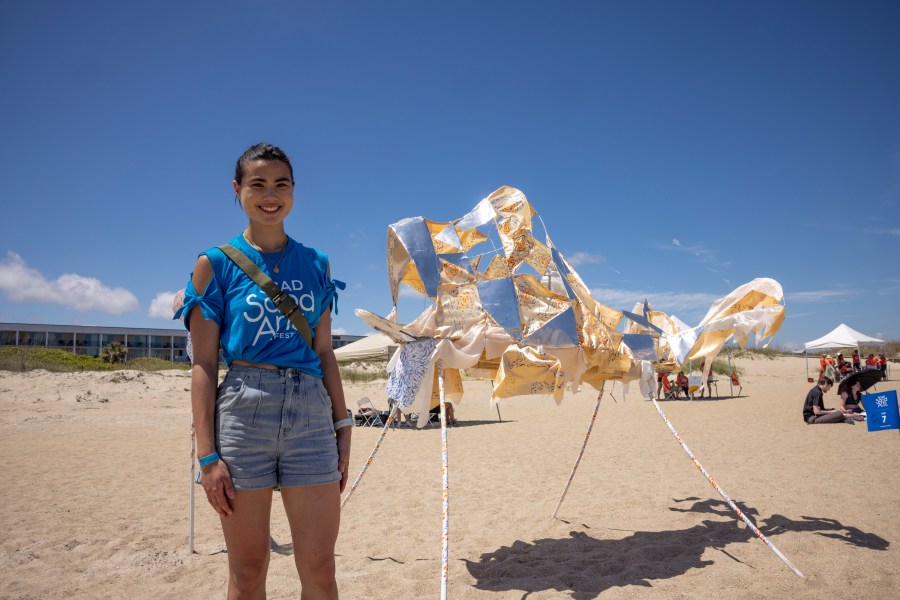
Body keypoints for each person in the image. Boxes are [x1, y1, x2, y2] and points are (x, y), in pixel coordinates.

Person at [176, 143, 349, 598]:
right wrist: (207, 455)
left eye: (281, 184)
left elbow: (325, 351)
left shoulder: (317, 264)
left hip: (311, 414)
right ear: (238, 190)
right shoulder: (213, 264)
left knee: (320, 567)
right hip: (242, 410)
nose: (270, 194)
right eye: (258, 184)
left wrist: (344, 423)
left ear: (294, 191)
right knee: (248, 570)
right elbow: (204, 363)